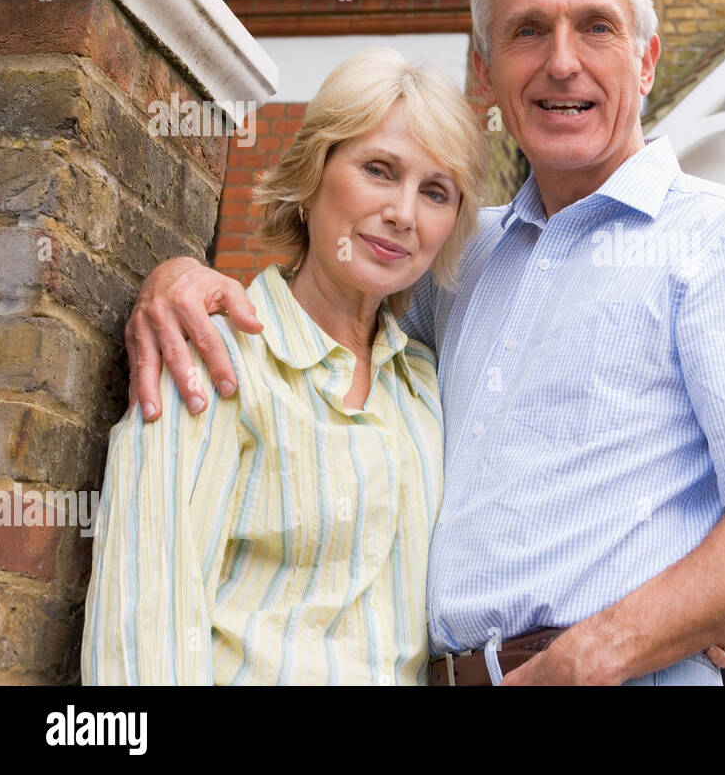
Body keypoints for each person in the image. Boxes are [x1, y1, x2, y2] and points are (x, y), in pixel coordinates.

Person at [125, 0, 725, 686]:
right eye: (528, 30)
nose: (562, 62)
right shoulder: (459, 255)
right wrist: (178, 280)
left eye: (596, 27)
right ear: (485, 71)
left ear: (646, 61)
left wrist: (600, 652)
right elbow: (328, 322)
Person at [82, 48, 487, 684]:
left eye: (435, 192)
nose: (404, 213)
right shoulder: (214, 353)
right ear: (311, 178)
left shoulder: (425, 390)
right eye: (379, 170)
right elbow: (142, 620)